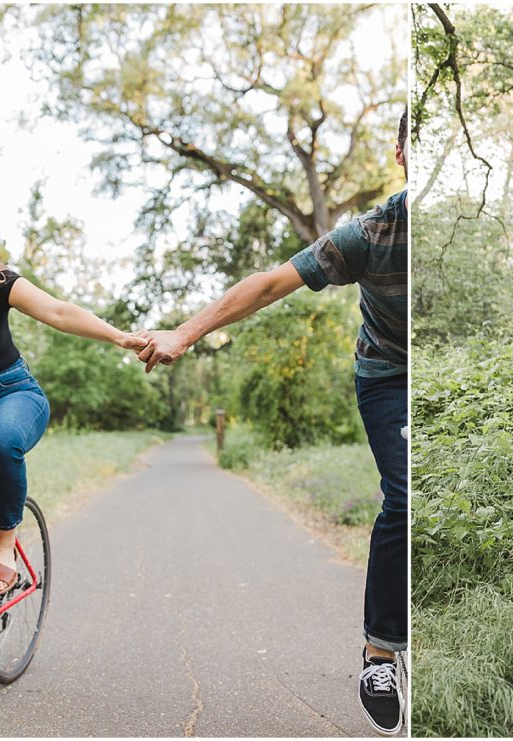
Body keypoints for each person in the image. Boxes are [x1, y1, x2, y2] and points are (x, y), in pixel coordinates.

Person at [136, 112, 409, 735]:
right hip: (389, 376)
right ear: (400, 155)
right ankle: (379, 656)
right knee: (405, 497)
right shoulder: (371, 233)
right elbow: (267, 285)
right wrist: (184, 333)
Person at [0, 184, 149, 697]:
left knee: (2, 443)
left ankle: (5, 539)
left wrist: (120, 337)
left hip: (13, 393)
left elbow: (60, 312)